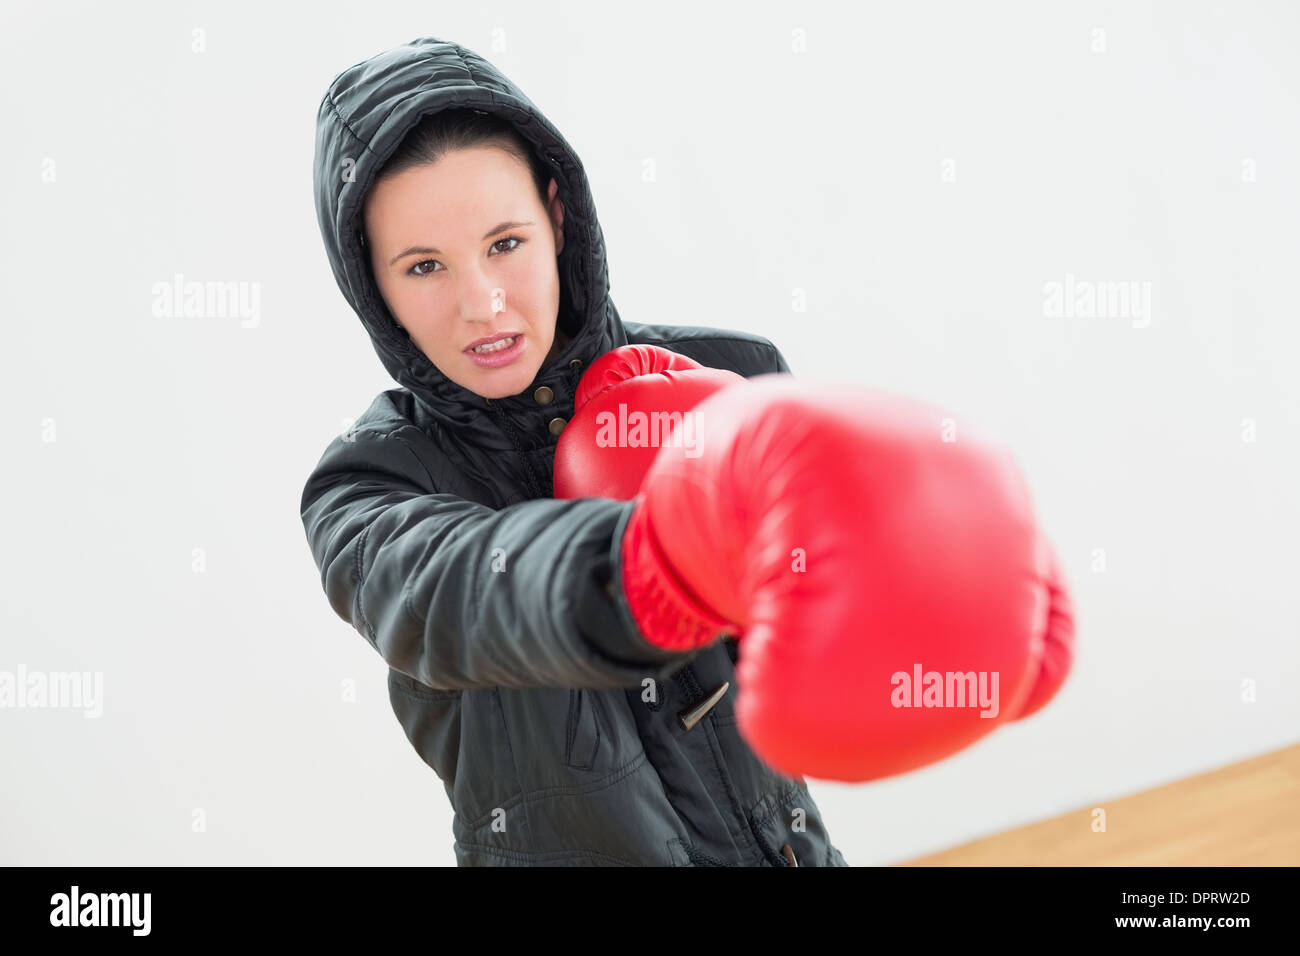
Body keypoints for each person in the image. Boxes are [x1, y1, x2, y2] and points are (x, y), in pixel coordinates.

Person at [302, 36, 850, 866]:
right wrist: (639, 565)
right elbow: (454, 587)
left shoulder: (732, 376)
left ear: (557, 217)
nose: (482, 304)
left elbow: (832, 621)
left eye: (505, 244)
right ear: (373, 288)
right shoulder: (365, 487)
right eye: (423, 267)